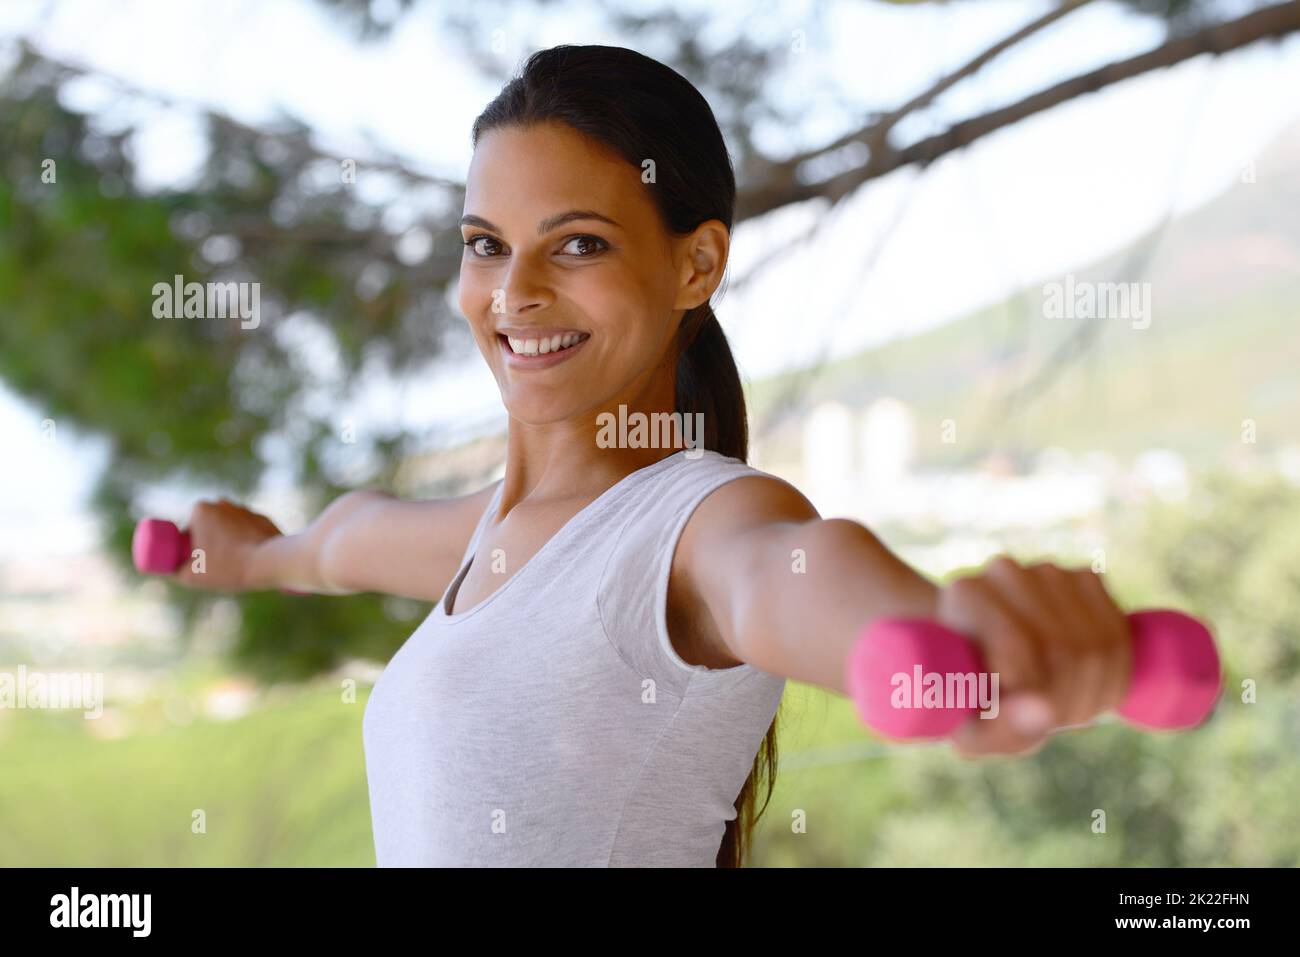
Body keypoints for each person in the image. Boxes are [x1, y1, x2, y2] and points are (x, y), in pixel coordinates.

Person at [171, 44, 1133, 867]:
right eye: (485, 244)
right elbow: (347, 538)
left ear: (695, 265)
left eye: (578, 244)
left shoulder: (694, 524)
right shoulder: (497, 535)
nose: (515, 293)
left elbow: (787, 571)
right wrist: (251, 555)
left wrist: (947, 636)